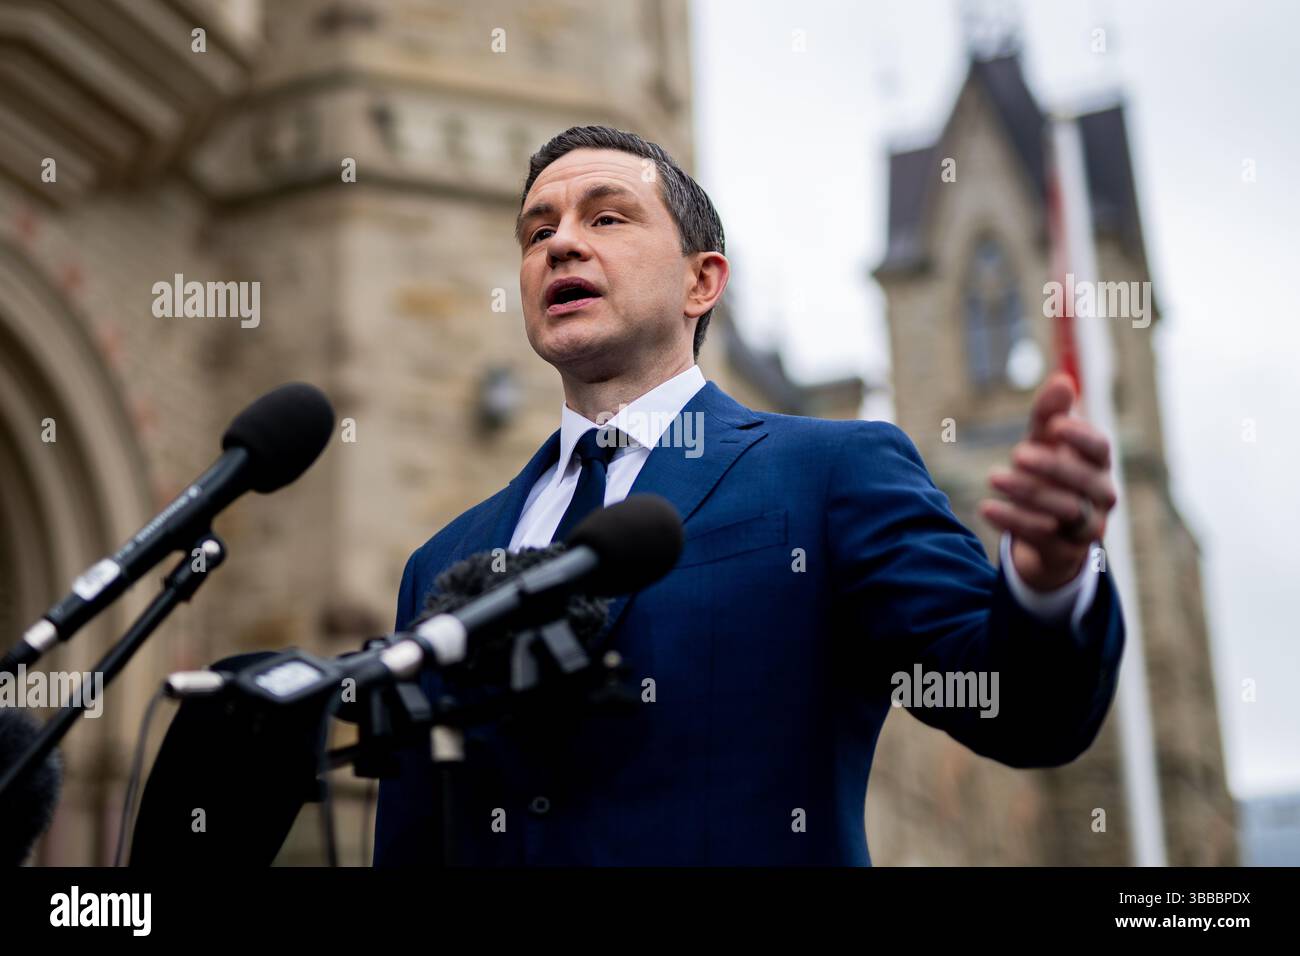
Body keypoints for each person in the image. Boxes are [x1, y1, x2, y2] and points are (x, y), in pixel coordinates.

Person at [373, 125, 1124, 865]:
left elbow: (1018, 707)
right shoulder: (443, 562)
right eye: (538, 232)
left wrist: (1050, 580)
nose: (560, 244)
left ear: (702, 282)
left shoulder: (831, 472)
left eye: (605, 217)